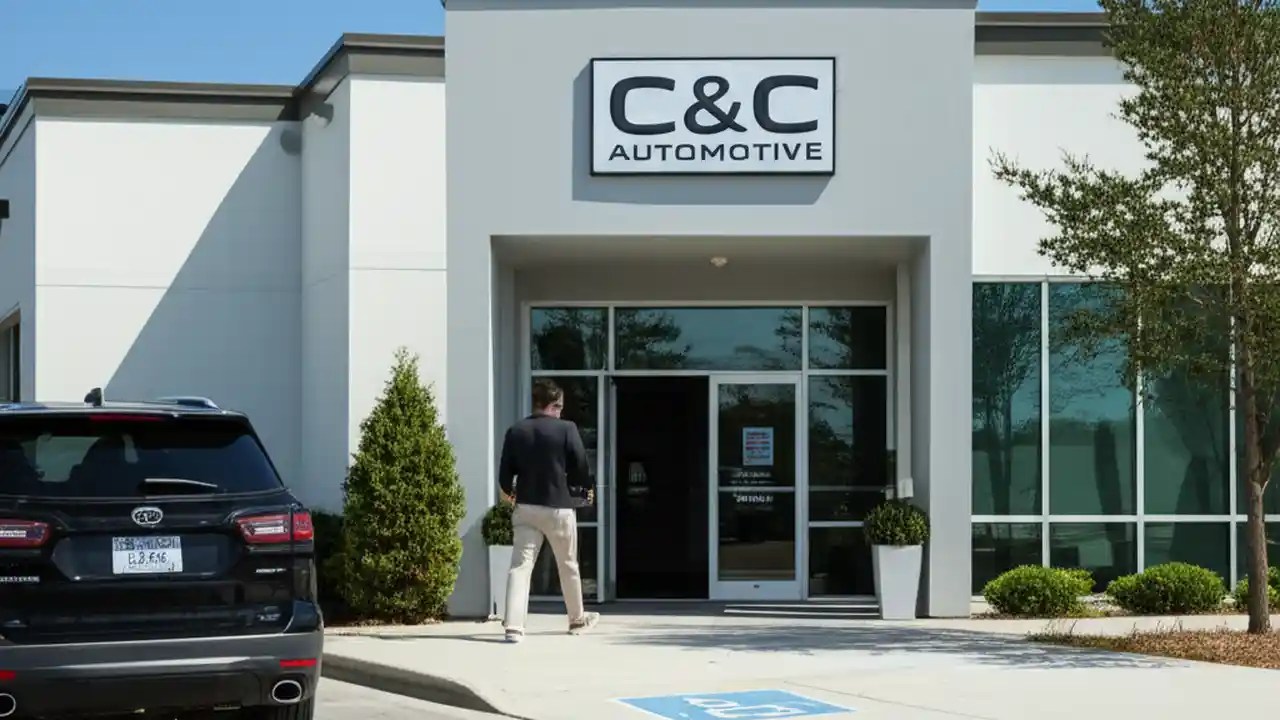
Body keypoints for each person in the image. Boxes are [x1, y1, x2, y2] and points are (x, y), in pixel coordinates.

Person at [497, 379, 600, 643]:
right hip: (559, 507)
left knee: (520, 567)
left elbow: (505, 473)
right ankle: (576, 620)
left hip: (526, 507)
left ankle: (514, 627)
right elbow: (580, 464)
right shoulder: (566, 429)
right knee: (567, 564)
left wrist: (509, 495)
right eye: (560, 406)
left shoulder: (516, 430)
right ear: (553, 405)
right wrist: (586, 488)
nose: (561, 412)